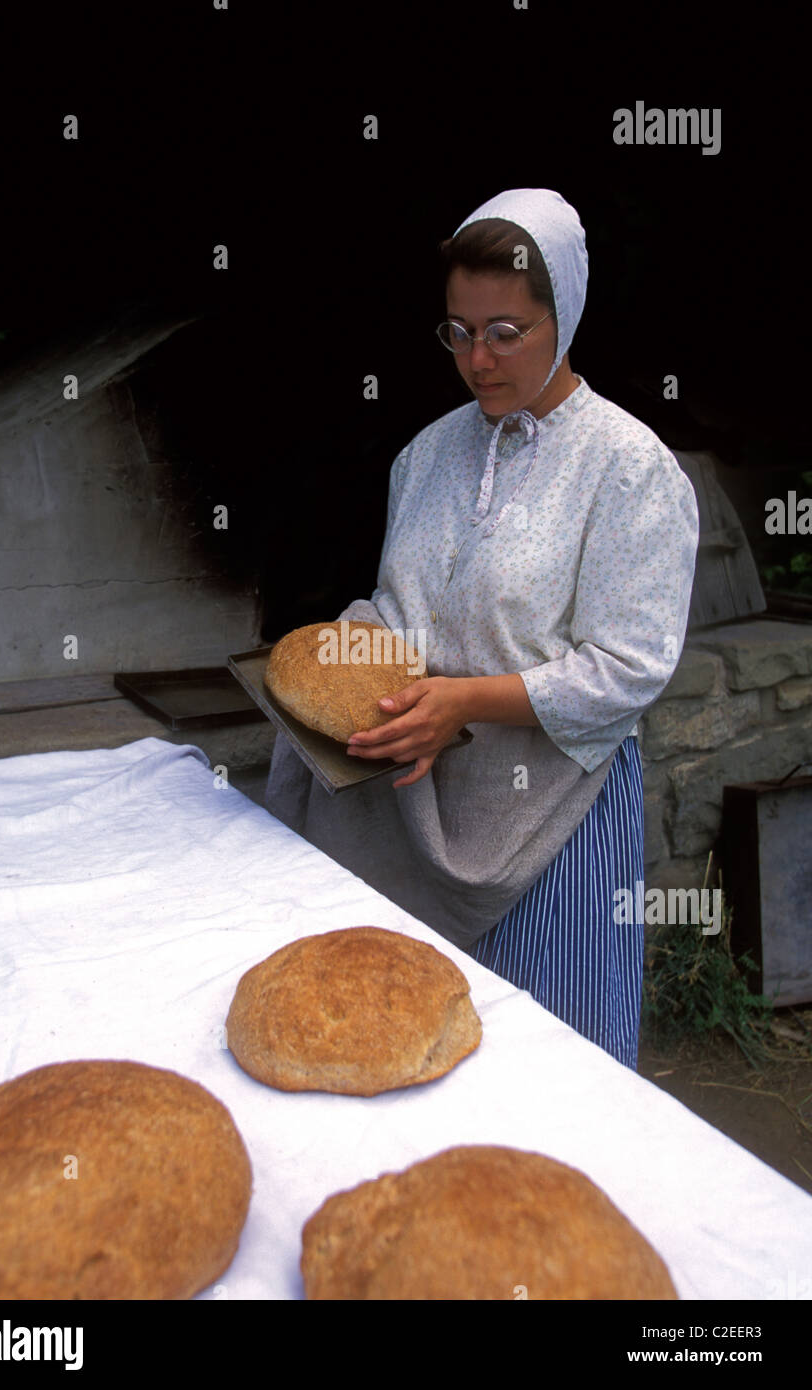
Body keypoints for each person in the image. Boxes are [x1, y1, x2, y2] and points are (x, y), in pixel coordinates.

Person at [264, 188, 699, 1070]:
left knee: (546, 1058)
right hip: (418, 797)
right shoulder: (425, 455)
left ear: (563, 316)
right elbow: (401, 606)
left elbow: (627, 669)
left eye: (507, 332)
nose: (477, 359)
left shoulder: (630, 470)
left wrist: (462, 699)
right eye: (458, 331)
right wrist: (341, 660)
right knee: (418, 1037)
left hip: (551, 819)